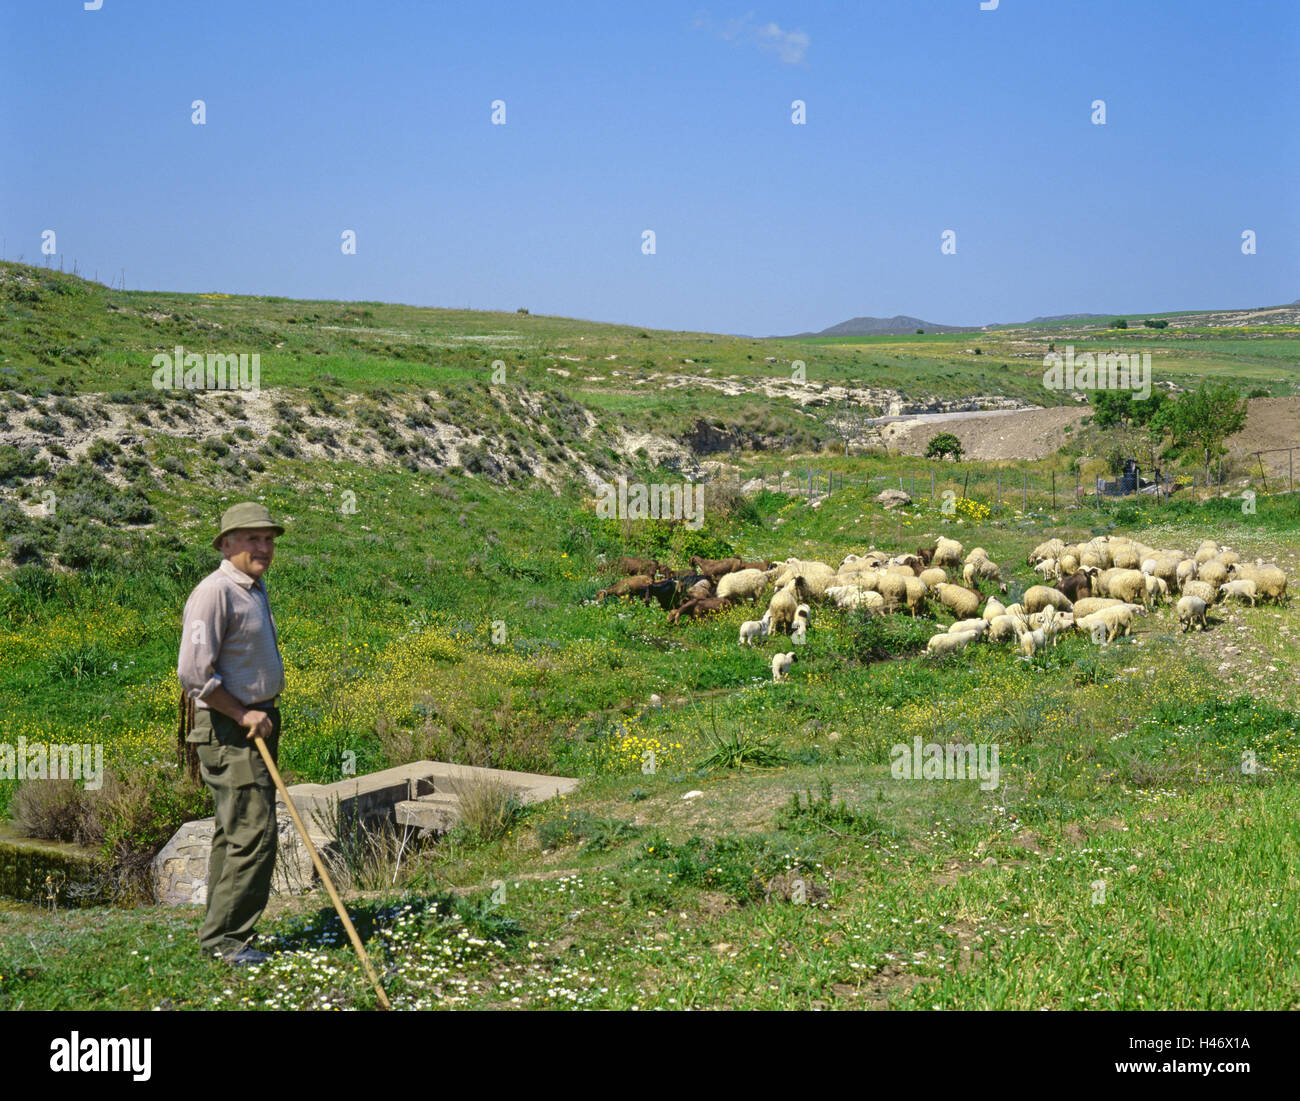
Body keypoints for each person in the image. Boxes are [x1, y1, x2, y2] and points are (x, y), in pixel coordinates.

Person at [178, 501, 287, 966]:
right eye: (251, 539)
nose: (263, 547)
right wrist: (243, 715)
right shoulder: (215, 592)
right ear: (225, 544)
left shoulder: (252, 587)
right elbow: (193, 675)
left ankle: (219, 934)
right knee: (254, 834)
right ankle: (225, 943)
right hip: (233, 727)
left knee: (234, 831)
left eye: (268, 540)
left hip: (255, 721)